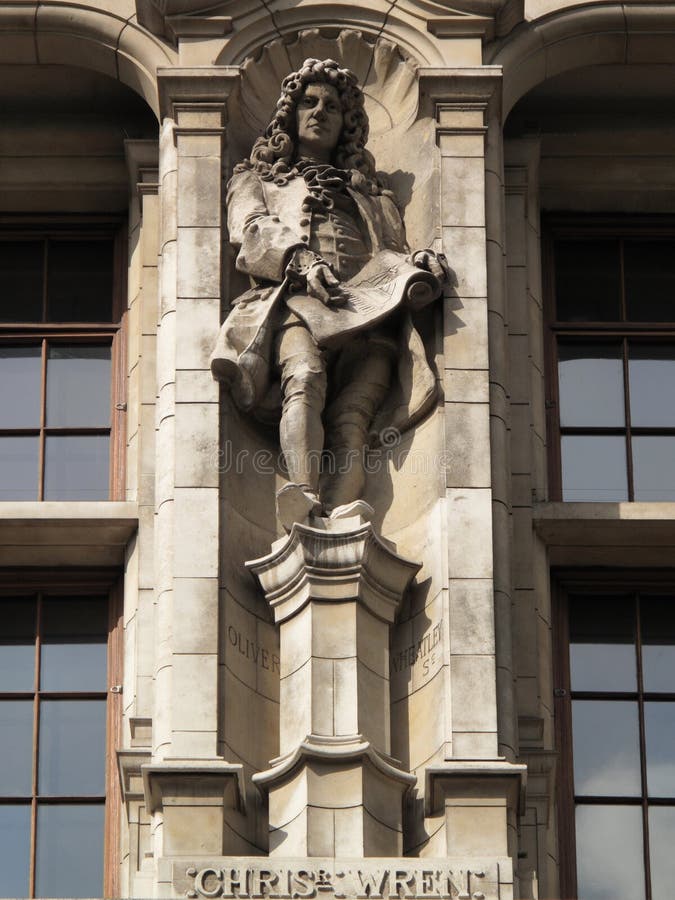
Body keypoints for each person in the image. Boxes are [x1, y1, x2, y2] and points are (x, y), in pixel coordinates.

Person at [211, 58, 449, 529]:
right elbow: (251, 228)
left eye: (333, 106)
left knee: (354, 418)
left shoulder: (372, 196)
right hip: (296, 300)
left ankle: (340, 518)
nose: (320, 112)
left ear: (347, 123)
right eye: (310, 102)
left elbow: (392, 251)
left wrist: (418, 265)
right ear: (290, 116)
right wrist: (300, 260)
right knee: (304, 376)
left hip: (371, 304)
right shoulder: (254, 180)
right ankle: (302, 494)